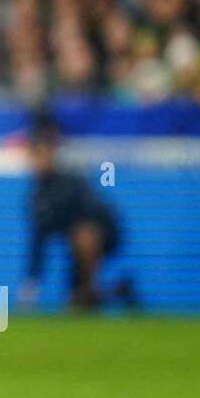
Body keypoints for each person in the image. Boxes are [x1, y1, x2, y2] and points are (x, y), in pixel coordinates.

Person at [23, 117, 136, 312]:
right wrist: (32, 281)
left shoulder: (71, 183)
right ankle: (116, 291)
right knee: (76, 304)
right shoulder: (36, 196)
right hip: (74, 247)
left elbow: (94, 219)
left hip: (101, 237)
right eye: (35, 155)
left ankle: (88, 289)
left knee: (83, 235)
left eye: (42, 154)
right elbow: (39, 239)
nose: (39, 161)